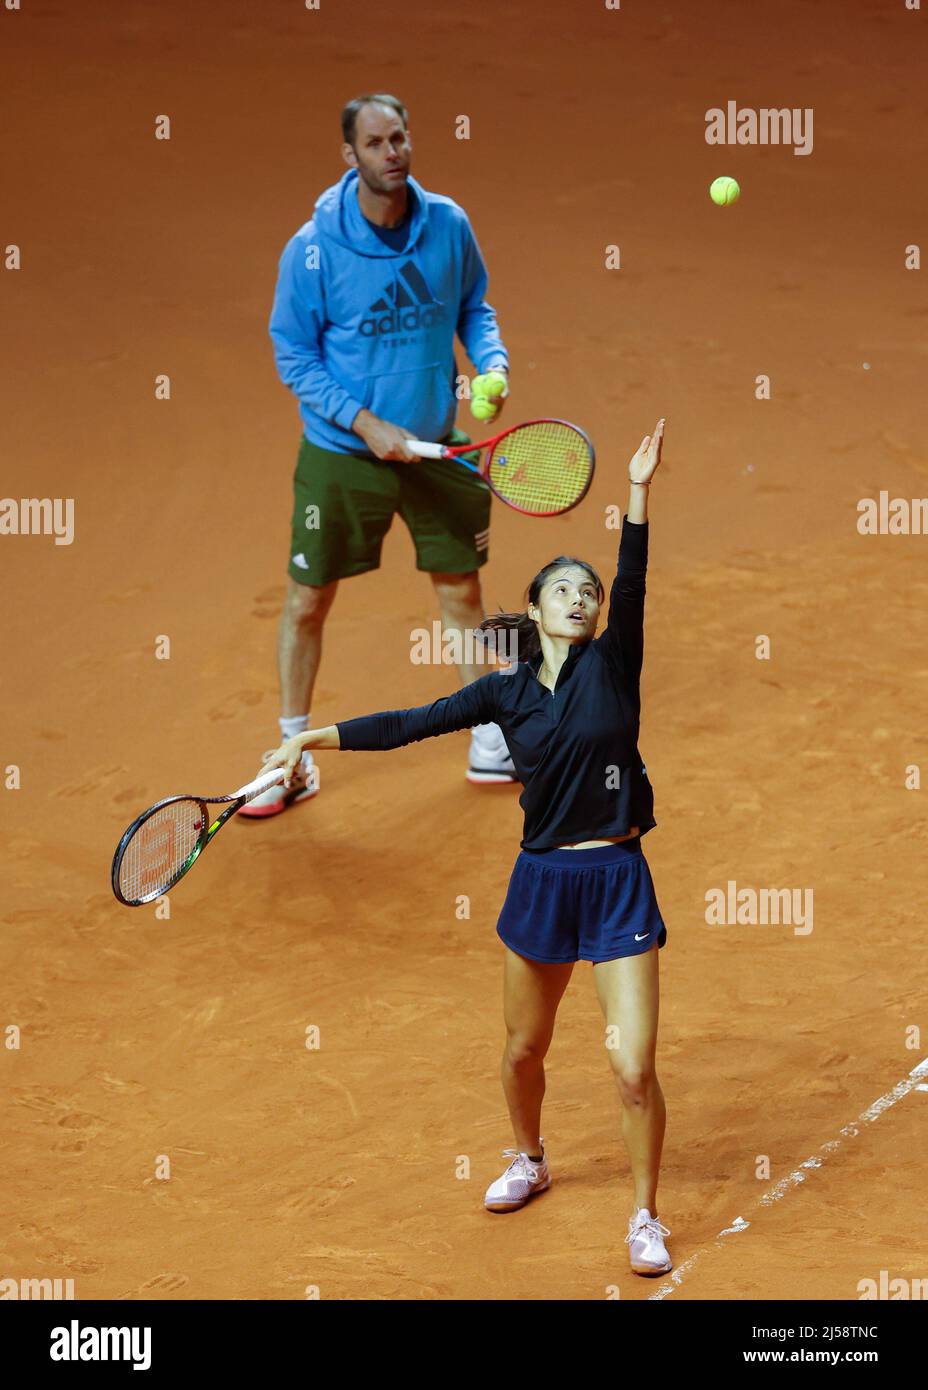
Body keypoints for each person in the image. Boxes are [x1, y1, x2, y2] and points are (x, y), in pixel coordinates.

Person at [262, 419, 673, 1277]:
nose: (581, 598)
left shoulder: (615, 664)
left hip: (617, 880)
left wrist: (636, 491)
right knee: (525, 1050)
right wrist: (312, 740)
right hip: (542, 886)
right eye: (563, 589)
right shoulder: (504, 692)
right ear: (535, 608)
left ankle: (644, 1216)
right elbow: (411, 724)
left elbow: (633, 573)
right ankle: (530, 1156)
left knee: (632, 1066)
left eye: (587, 592)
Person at [242, 92, 516, 817]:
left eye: (400, 137)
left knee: (462, 595)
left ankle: (487, 734)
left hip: (435, 447)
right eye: (375, 142)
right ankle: (292, 756)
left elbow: (474, 308)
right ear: (350, 156)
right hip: (344, 455)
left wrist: (492, 366)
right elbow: (293, 355)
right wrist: (364, 423)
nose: (392, 152)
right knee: (307, 602)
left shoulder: (448, 225)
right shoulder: (312, 248)